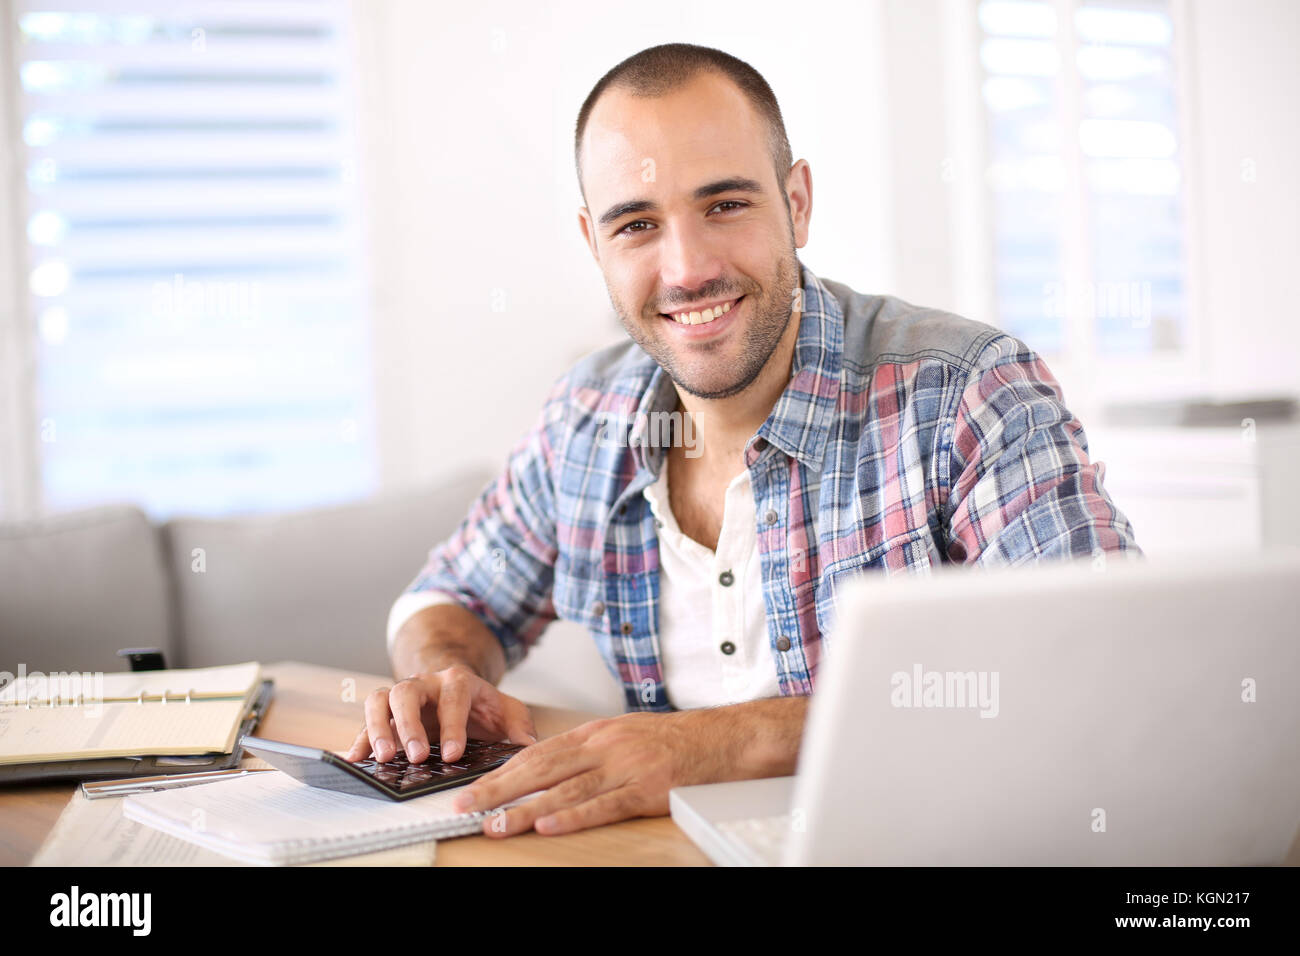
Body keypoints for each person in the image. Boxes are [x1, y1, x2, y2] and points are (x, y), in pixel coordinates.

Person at [347, 42, 1141, 838]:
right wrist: (443, 674)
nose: (687, 269)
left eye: (724, 205)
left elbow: (1101, 668)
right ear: (595, 243)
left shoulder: (967, 391)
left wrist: (718, 745)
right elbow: (452, 597)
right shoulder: (585, 415)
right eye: (637, 225)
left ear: (796, 202)